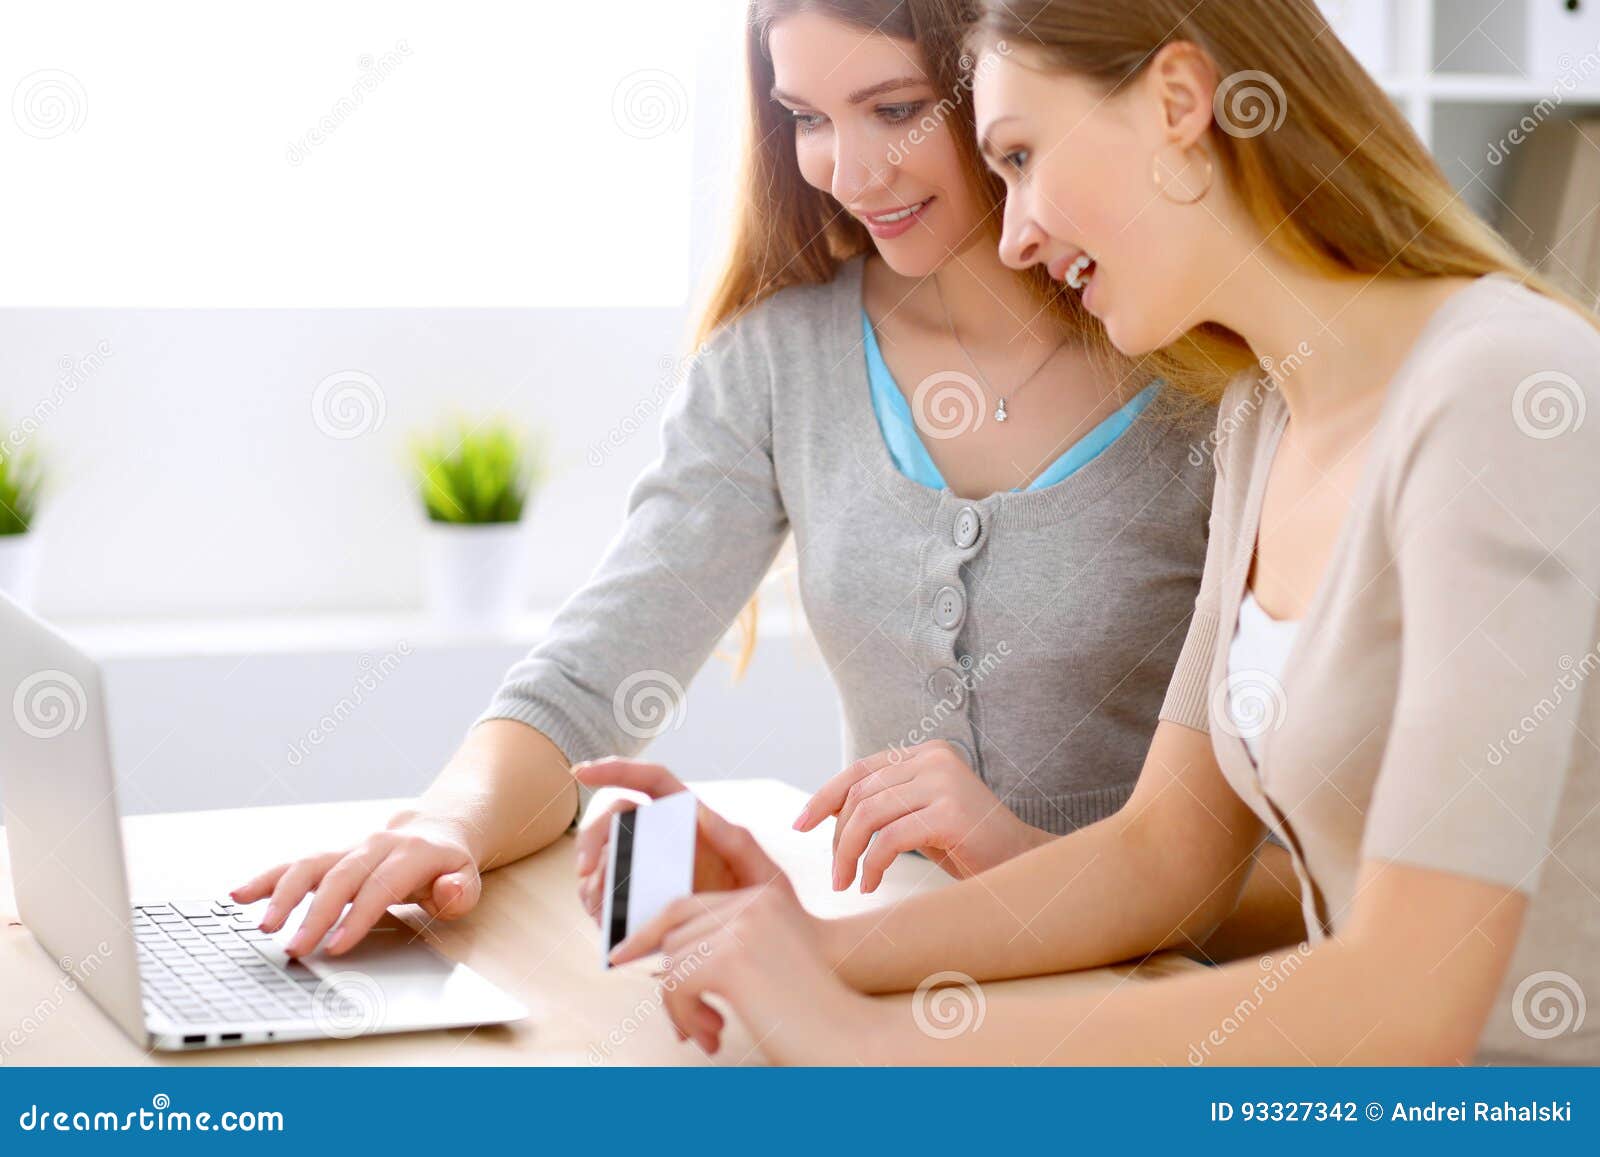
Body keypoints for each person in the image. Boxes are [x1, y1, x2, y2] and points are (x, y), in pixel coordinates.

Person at [602, 0, 1600, 1065]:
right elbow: (1165, 856)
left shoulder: (1501, 386)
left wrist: (873, 1040)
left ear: (1178, 102)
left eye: (1022, 157)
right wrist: (811, 945)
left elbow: (1410, 1000)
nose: (1015, 232)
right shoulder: (1264, 418)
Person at [231, 0, 1280, 963]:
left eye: (896, 110)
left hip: (1160, 1018)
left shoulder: (1213, 372)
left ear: (1009, 79)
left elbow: (1316, 875)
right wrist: (443, 823)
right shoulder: (780, 362)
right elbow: (591, 678)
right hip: (888, 990)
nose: (848, 171)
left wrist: (1020, 861)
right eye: (807, 118)